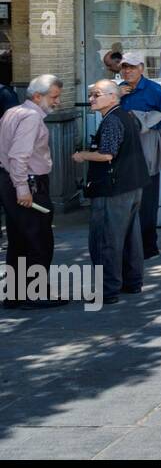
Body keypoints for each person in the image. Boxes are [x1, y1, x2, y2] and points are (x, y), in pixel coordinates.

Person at [75, 80, 149, 304]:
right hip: (132, 185)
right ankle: (132, 281)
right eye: (91, 95)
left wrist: (82, 155)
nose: (91, 99)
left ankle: (107, 289)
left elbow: (107, 154)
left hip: (114, 188)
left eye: (96, 95)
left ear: (112, 97)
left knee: (106, 239)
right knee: (129, 237)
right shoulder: (126, 116)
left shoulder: (113, 120)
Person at [0, 74, 63, 308]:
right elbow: (18, 155)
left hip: (12, 180)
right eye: (54, 97)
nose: (58, 101)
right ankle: (33, 294)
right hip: (27, 182)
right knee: (39, 240)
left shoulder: (13, 112)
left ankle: (16, 295)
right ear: (37, 96)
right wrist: (23, 188)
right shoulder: (31, 117)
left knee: (19, 239)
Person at [117, 51, 161, 260]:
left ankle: (149, 246)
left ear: (141, 68)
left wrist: (148, 124)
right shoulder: (116, 90)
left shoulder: (153, 89)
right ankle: (128, 246)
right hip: (123, 152)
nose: (127, 71)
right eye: (125, 67)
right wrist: (117, 96)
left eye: (132, 67)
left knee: (148, 201)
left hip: (147, 149)